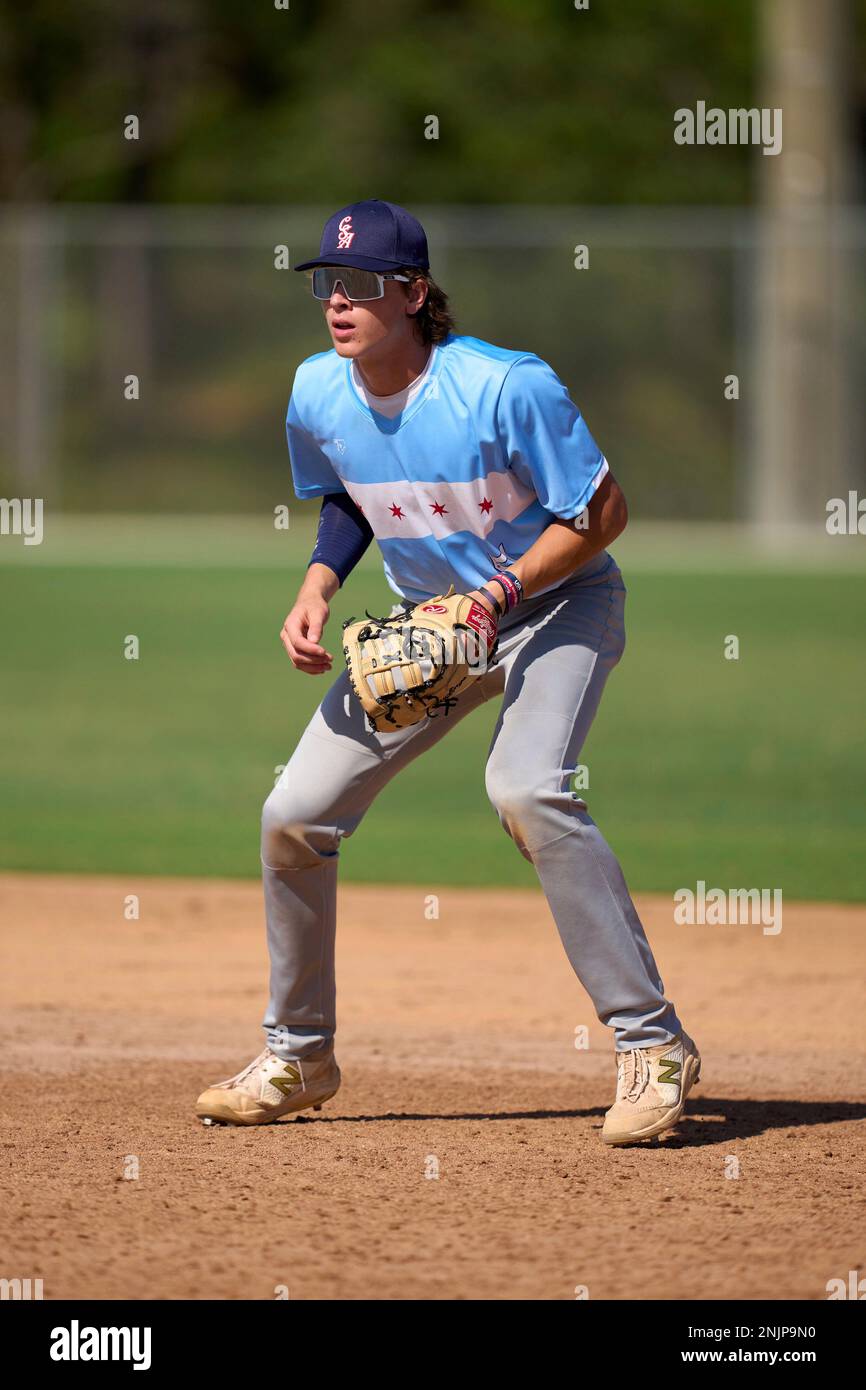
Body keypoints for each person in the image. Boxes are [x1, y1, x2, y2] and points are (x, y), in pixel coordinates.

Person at [195, 199, 700, 1145]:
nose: (338, 303)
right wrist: (315, 586)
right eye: (326, 284)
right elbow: (347, 496)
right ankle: (299, 1054)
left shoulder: (508, 388)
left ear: (414, 293)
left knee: (527, 789)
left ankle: (654, 1045)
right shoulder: (318, 390)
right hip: (432, 630)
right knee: (293, 816)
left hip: (556, 605)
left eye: (361, 286)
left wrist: (498, 594)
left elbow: (603, 514)